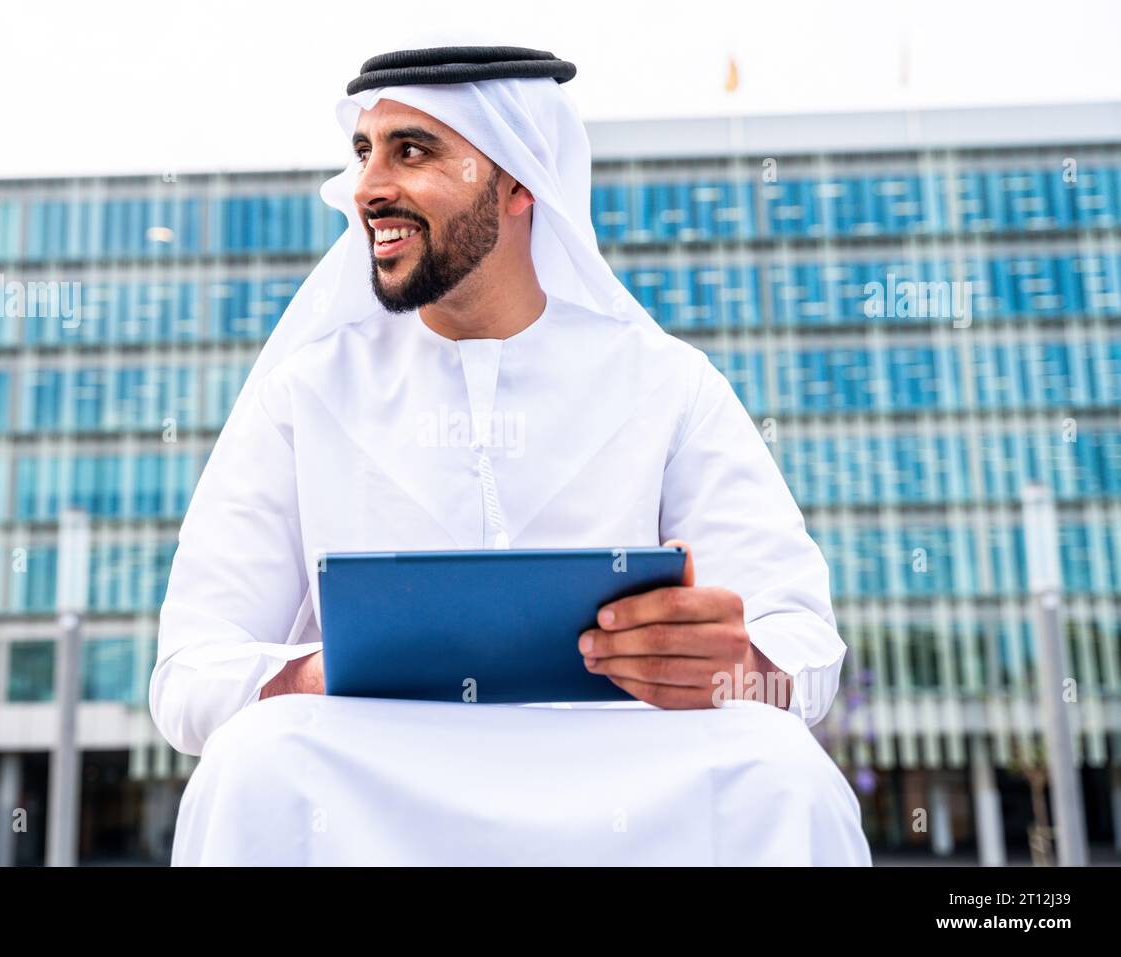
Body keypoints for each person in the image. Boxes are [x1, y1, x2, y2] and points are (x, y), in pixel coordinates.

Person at [148, 43, 871, 866]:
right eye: (363, 153)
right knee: (253, 761)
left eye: (411, 150)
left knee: (783, 772)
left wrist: (737, 660)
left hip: (623, 773)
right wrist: (324, 671)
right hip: (380, 773)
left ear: (518, 181)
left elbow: (805, 657)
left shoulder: (668, 383)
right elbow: (189, 678)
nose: (368, 187)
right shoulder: (301, 394)